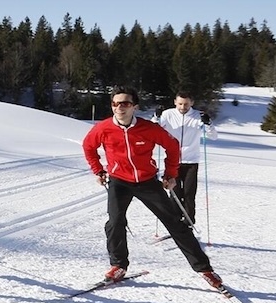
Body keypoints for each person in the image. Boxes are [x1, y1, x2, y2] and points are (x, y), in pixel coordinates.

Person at [82, 86, 222, 288]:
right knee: (115, 222)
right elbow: (88, 146)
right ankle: (118, 265)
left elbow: (172, 146)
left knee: (175, 222)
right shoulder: (103, 128)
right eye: (116, 103)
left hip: (146, 181)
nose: (120, 107)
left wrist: (170, 173)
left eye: (125, 103)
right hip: (119, 180)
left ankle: (204, 269)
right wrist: (98, 170)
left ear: (135, 107)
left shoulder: (148, 128)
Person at [157, 90, 215, 223]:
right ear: (175, 102)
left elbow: (213, 136)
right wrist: (156, 117)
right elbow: (154, 128)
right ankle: (175, 222)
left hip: (191, 161)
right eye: (180, 104)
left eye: (186, 104)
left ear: (192, 103)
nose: (183, 107)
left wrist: (208, 123)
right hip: (173, 160)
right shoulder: (168, 114)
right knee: (174, 193)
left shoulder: (197, 116)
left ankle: (189, 222)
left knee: (189, 194)